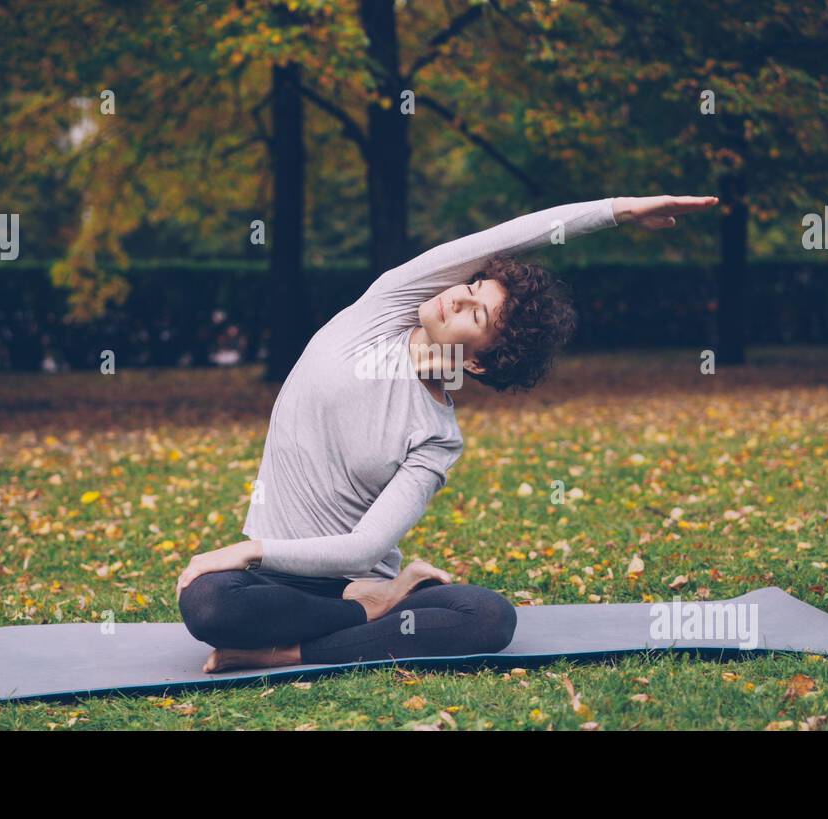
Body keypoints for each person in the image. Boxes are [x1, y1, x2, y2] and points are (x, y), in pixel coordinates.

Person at [175, 194, 718, 672]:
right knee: (211, 605)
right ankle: (371, 611)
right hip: (275, 586)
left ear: (478, 364)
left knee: (487, 618)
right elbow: (507, 235)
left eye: (475, 315)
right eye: (474, 285)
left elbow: (361, 547)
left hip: (342, 576)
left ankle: (299, 648)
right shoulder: (382, 310)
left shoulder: (437, 437)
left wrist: (247, 551)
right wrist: (617, 211)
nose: (458, 296)